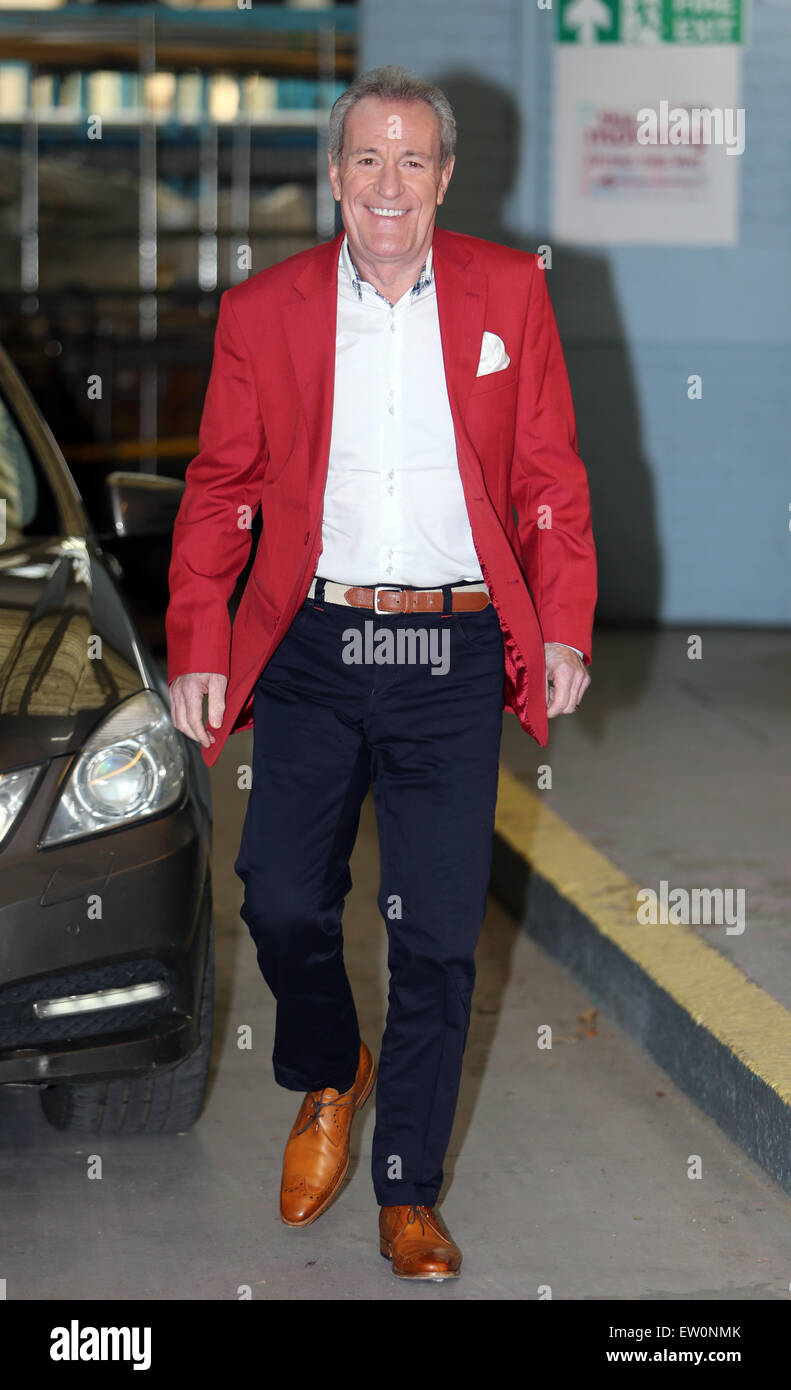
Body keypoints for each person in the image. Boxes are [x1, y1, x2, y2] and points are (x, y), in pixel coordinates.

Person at [166, 64, 596, 1281]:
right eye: (368, 159)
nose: (390, 183)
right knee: (282, 898)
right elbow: (222, 493)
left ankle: (406, 1189)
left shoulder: (510, 293)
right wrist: (201, 641)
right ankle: (328, 1065)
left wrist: (558, 624)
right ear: (335, 176)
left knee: (438, 929)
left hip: (450, 648)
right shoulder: (264, 311)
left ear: (444, 177)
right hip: (313, 640)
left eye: (413, 160)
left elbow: (549, 479)